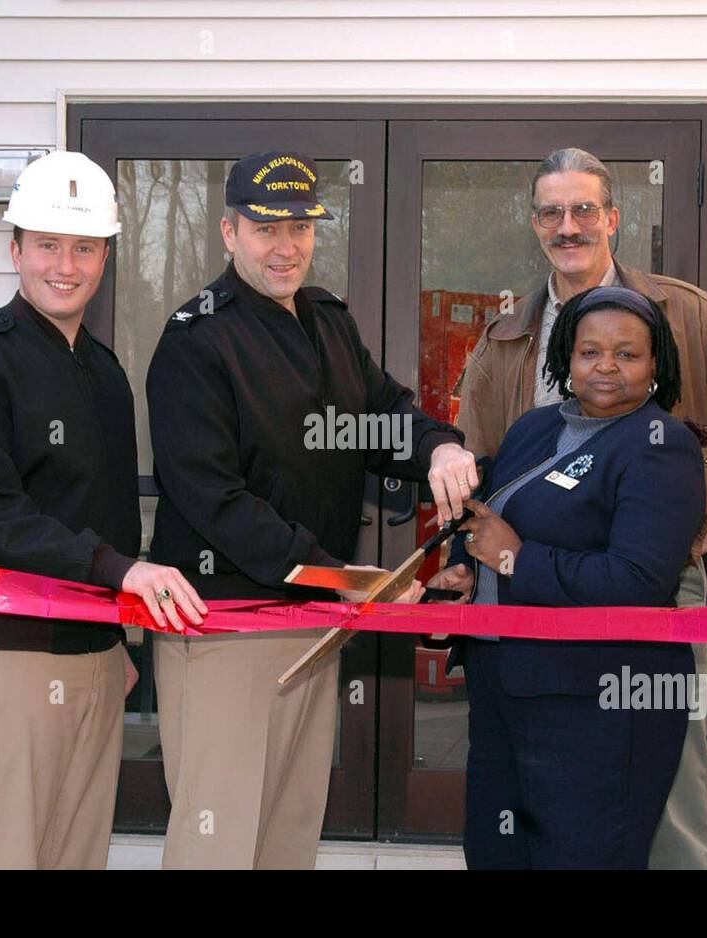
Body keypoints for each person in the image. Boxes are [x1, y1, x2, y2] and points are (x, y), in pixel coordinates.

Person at [454, 146, 707, 868]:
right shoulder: (509, 333)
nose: (567, 225)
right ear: (535, 223)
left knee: (666, 796)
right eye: (551, 211)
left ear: (612, 217)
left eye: (583, 210)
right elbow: (483, 469)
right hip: (527, 616)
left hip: (645, 588)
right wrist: (467, 562)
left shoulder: (683, 312)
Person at [145, 150, 477, 869]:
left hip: (312, 621)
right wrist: (339, 574)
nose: (285, 245)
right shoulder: (194, 340)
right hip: (226, 625)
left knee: (288, 836)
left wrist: (440, 449)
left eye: (299, 226)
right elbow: (215, 500)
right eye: (266, 228)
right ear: (229, 232)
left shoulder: (327, 322)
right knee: (217, 842)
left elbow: (384, 414)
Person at [0, 151, 206, 869]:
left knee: (75, 855)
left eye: (83, 247)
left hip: (93, 656)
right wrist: (118, 571)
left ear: (105, 255)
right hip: (0, 656)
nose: (65, 265)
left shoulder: (105, 373)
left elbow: (104, 513)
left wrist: (113, 643)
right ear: (15, 249)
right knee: (3, 855)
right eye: (47, 244)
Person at [429, 285, 705, 868]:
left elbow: (637, 581)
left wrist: (515, 560)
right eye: (589, 352)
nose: (606, 366)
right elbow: (492, 518)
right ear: (566, 359)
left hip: (596, 704)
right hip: (503, 684)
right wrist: (465, 571)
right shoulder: (533, 428)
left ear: (657, 364)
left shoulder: (661, 446)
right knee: (497, 854)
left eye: (627, 354)